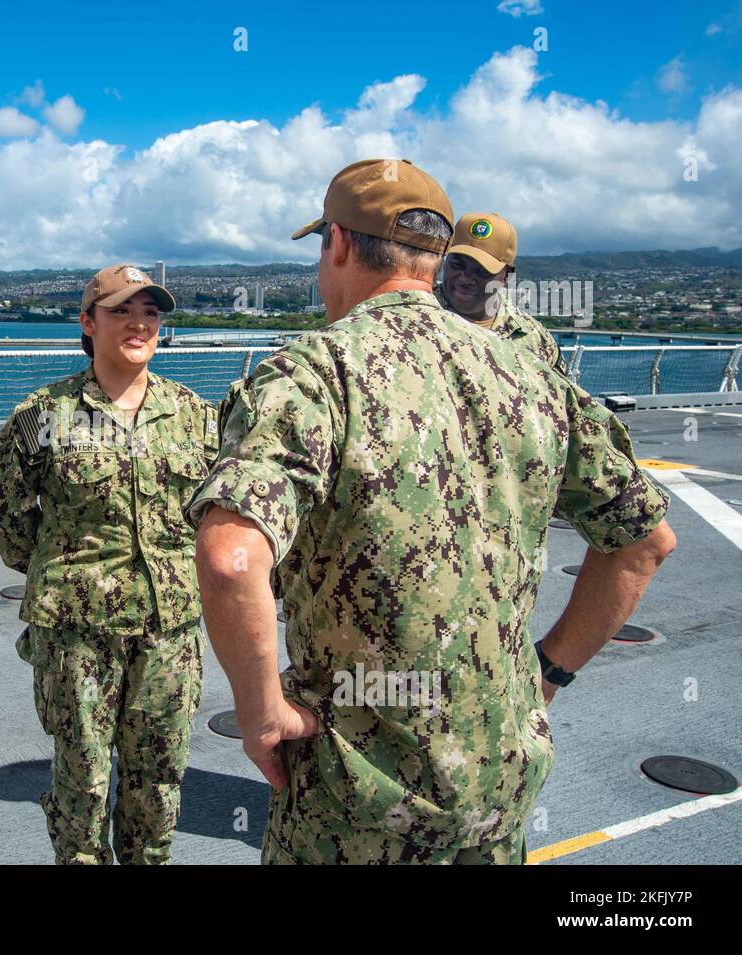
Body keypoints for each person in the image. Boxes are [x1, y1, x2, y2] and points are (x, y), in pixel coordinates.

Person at [191, 158, 676, 864]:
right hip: (499, 782)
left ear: (339, 244)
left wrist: (262, 714)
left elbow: (232, 558)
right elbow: (645, 541)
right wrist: (548, 673)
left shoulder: (316, 372)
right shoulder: (534, 377)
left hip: (355, 798)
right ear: (434, 260)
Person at [0, 264, 219, 863]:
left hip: (170, 632)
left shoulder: (196, 417)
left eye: (150, 312)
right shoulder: (46, 415)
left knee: (158, 781)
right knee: (82, 783)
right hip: (76, 633)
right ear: (88, 324)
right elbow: (9, 511)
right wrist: (60, 571)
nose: (139, 323)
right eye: (120, 311)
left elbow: (214, 515)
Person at [437, 212, 562, 368]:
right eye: (457, 265)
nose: (466, 278)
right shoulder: (415, 315)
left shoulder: (534, 339)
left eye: (481, 270)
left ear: (506, 276)